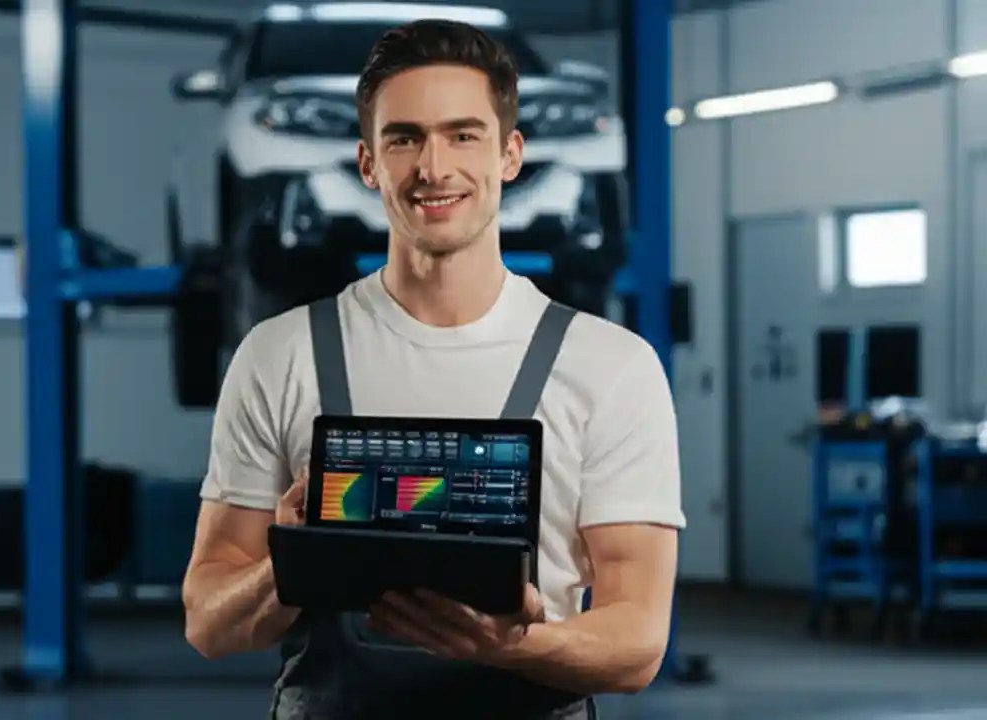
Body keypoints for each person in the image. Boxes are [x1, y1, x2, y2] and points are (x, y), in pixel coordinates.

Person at [182, 18, 686, 720]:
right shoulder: (280, 356)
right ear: (368, 162)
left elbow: (637, 642)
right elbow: (208, 622)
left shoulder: (609, 367)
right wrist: (291, 563)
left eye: (462, 134)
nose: (433, 167)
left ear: (511, 153)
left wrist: (505, 645)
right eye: (404, 137)